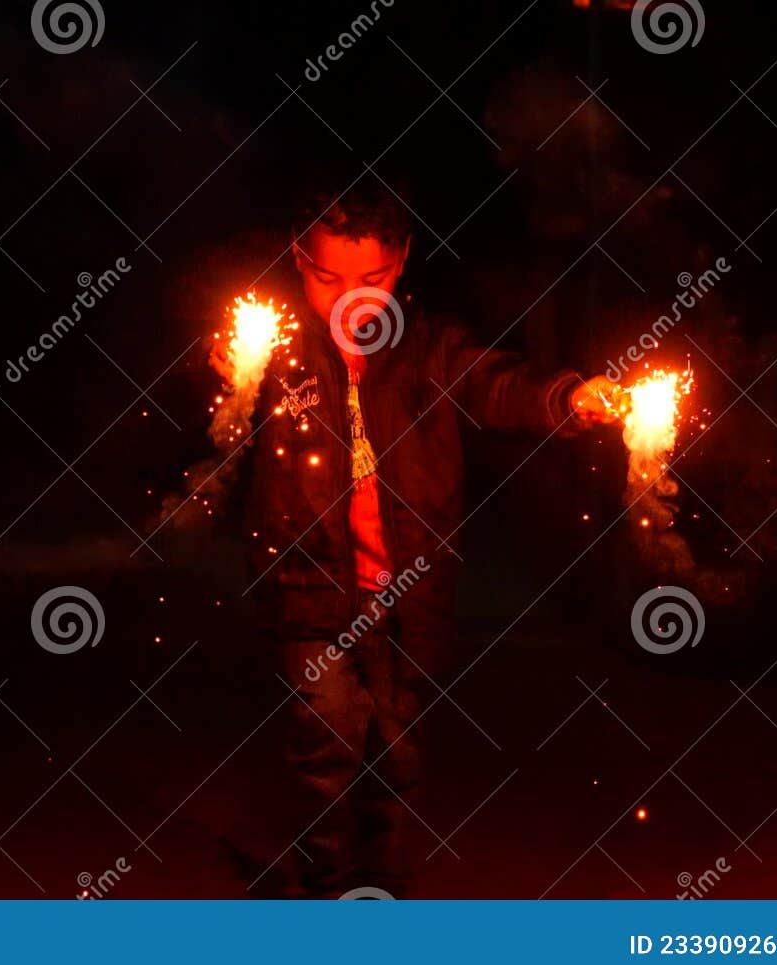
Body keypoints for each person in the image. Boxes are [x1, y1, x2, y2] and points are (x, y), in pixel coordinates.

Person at [246, 181, 619, 897]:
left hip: (409, 604)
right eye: (328, 278)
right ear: (298, 261)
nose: (351, 298)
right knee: (324, 741)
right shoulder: (274, 357)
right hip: (309, 594)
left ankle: (382, 886)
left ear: (404, 260)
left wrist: (568, 398)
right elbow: (220, 440)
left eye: (373, 278)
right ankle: (326, 887)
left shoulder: (429, 350)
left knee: (398, 753)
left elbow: (496, 383)